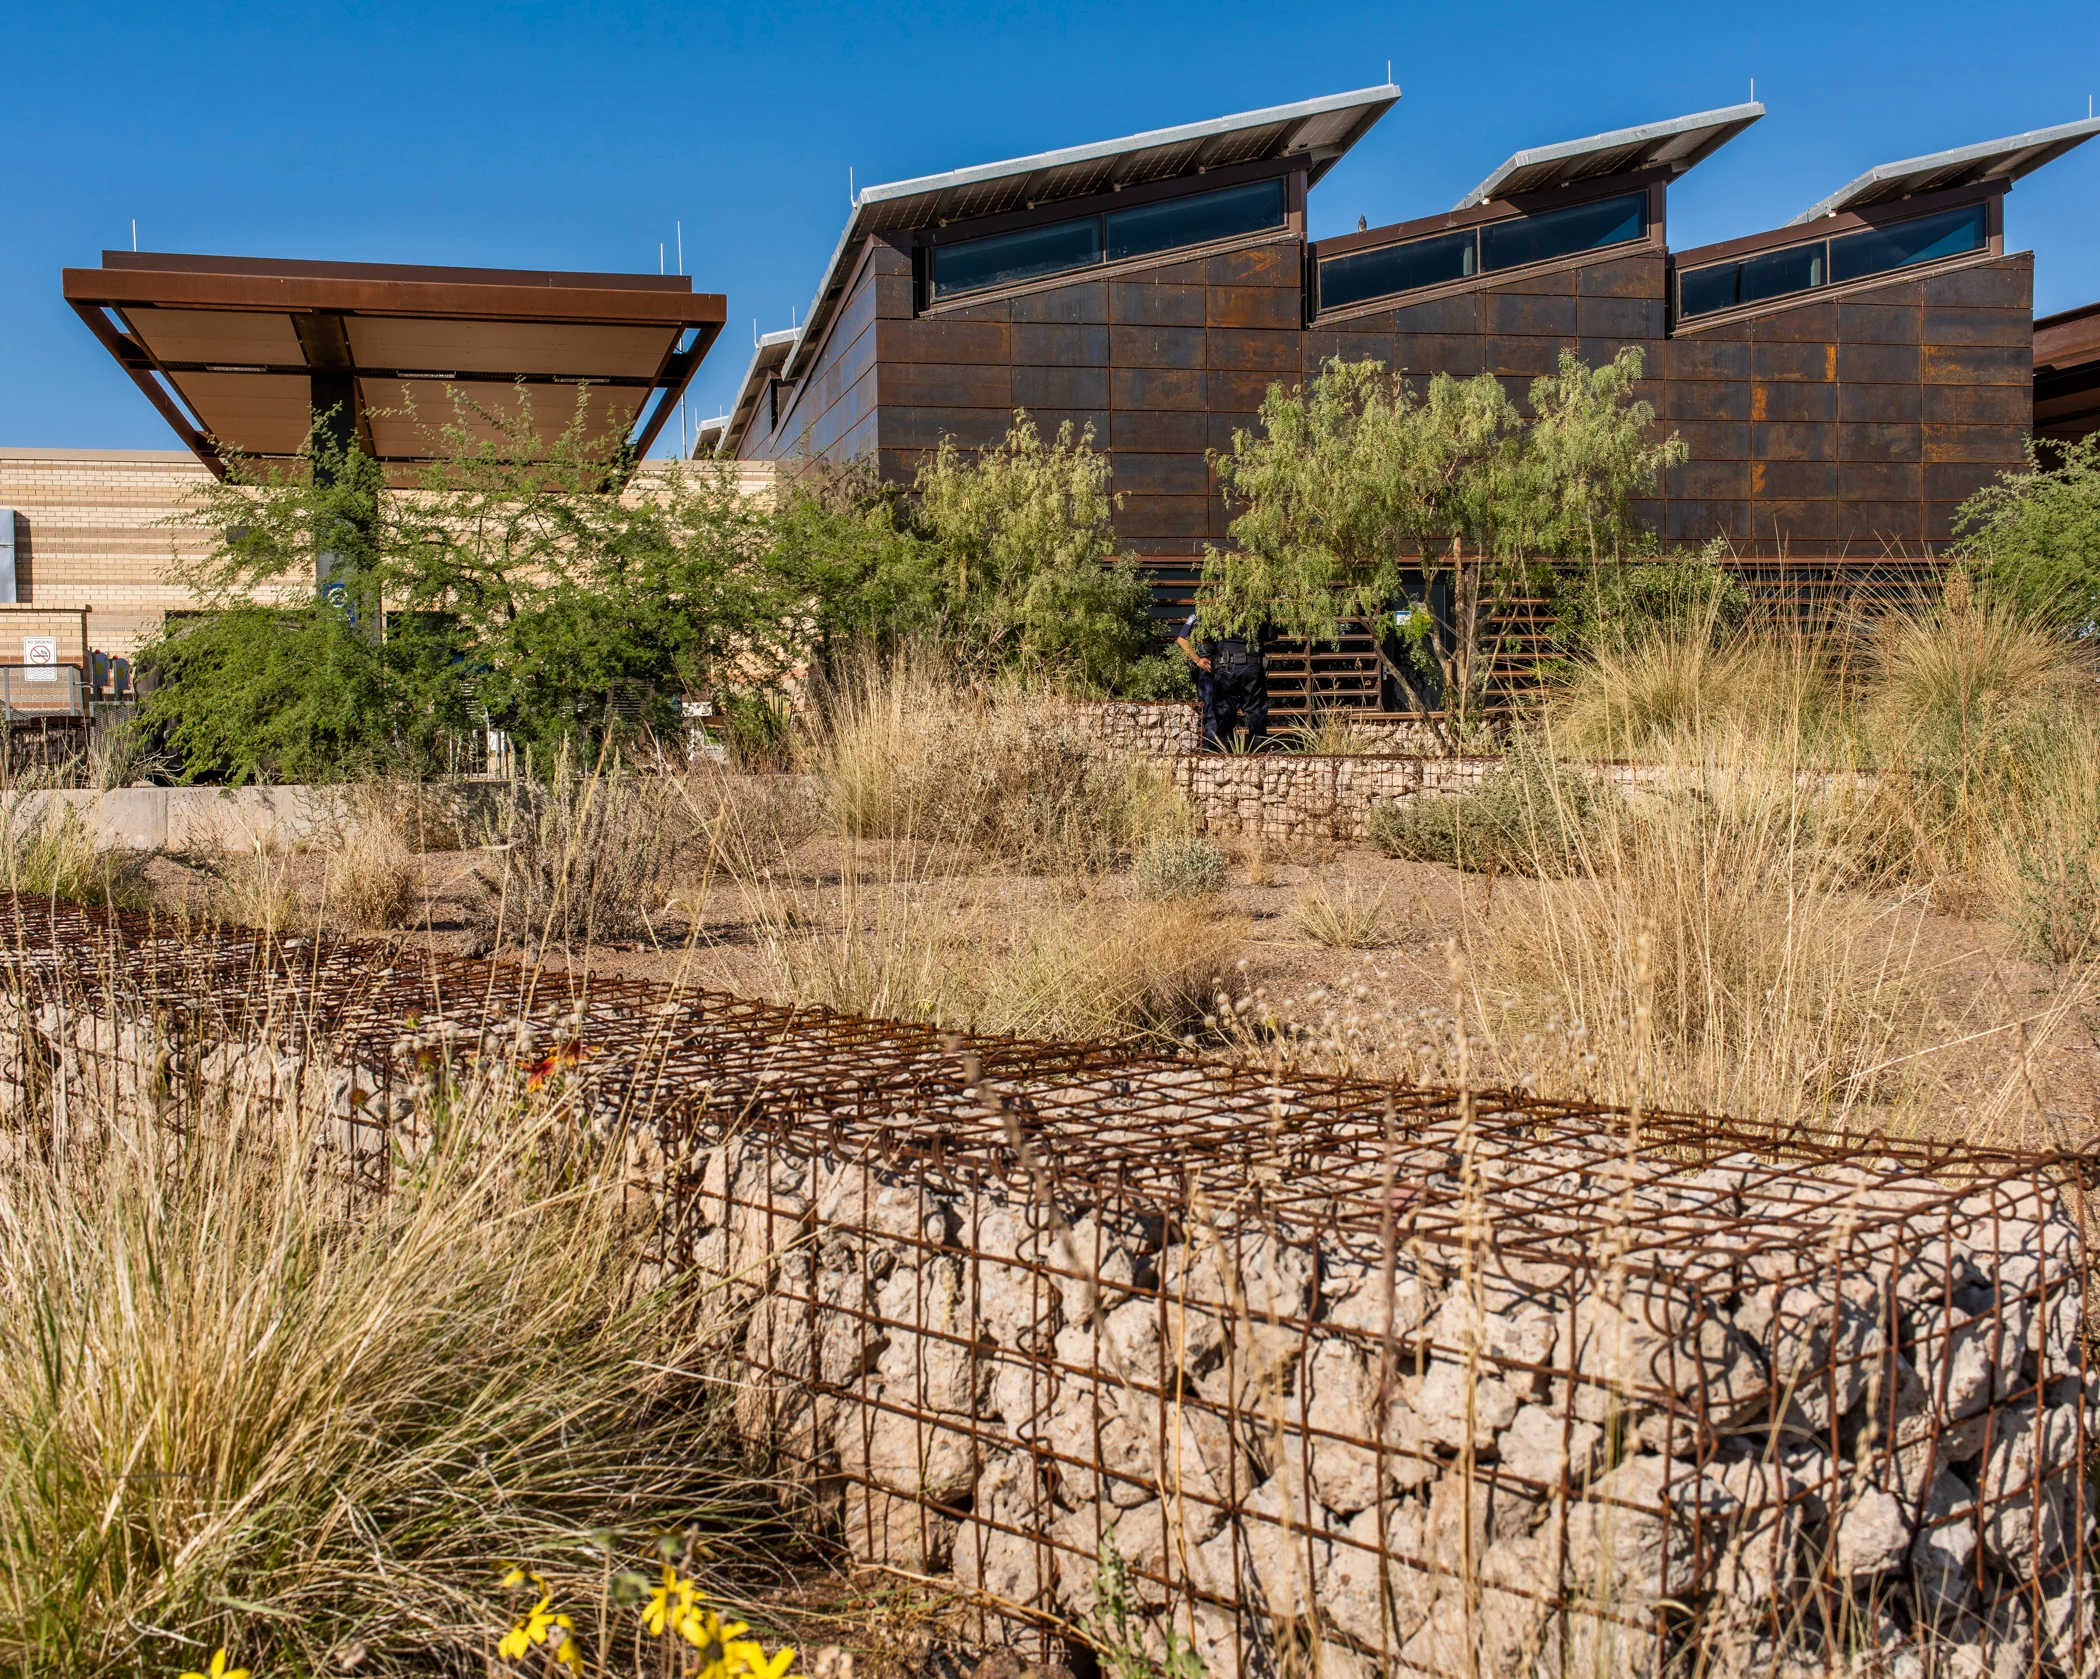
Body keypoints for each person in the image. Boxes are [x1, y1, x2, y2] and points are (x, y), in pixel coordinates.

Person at [1176, 610, 1276, 751]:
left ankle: (1222, 756)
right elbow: (1270, 637)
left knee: (1223, 713)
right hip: (1249, 667)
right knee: (1255, 712)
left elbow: (1203, 639)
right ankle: (1260, 756)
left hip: (1225, 668)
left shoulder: (1217, 612)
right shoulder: (1258, 611)